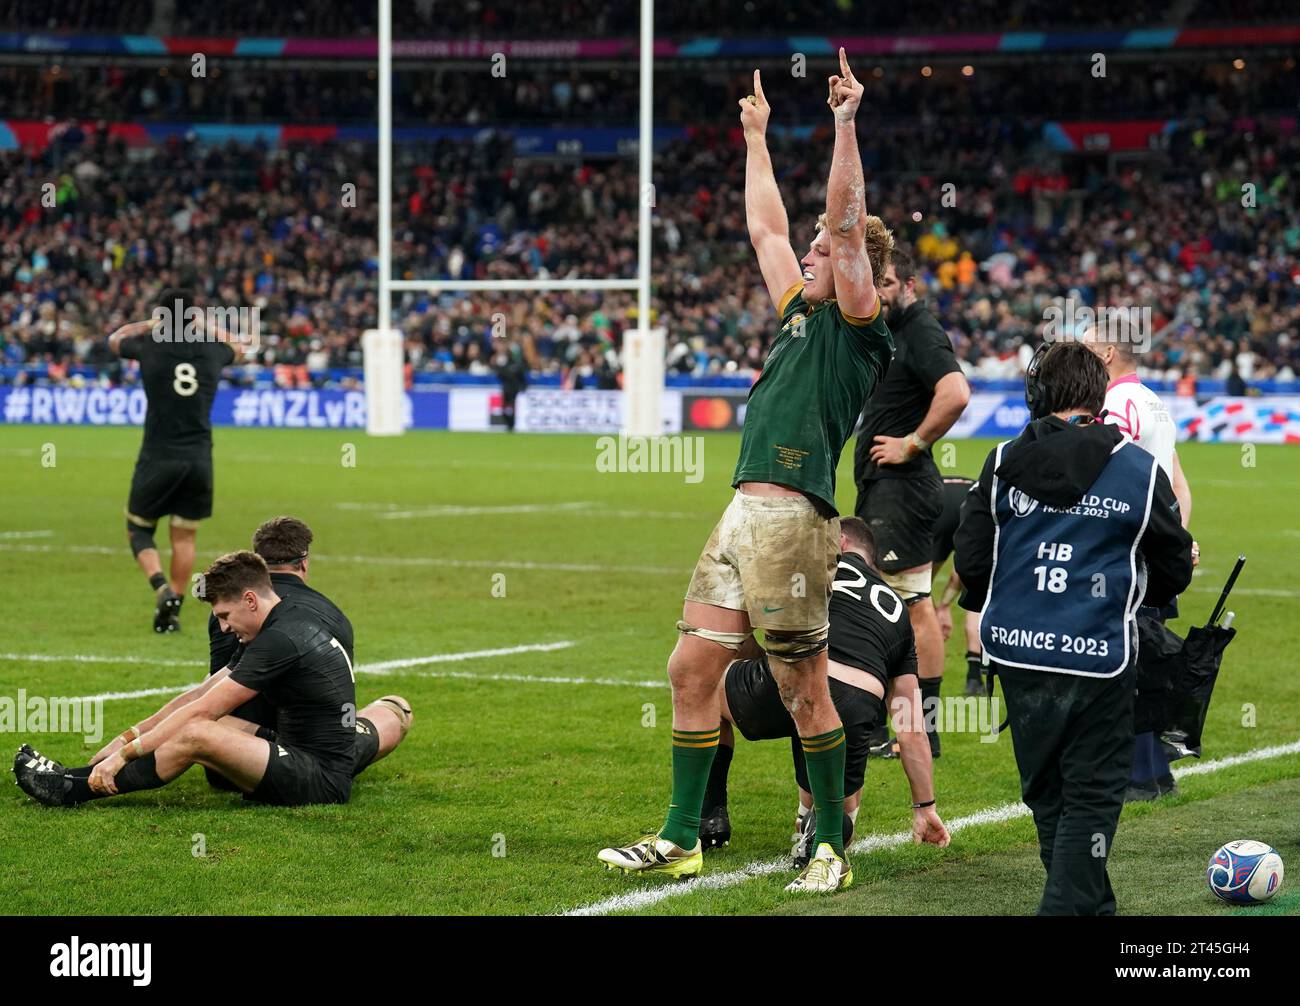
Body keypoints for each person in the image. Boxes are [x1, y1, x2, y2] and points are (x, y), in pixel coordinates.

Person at [598, 50, 895, 893]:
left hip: (795, 520)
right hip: (739, 515)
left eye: (823, 248)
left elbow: (841, 224)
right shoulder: (800, 309)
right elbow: (767, 227)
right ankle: (681, 836)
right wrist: (755, 138)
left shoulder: (856, 323)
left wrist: (842, 122)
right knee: (691, 670)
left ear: (851, 266)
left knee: (805, 691)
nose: (807, 250)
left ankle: (833, 845)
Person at [954, 343, 1193, 914]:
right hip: (1098, 656)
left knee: (1047, 793)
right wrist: (1142, 594)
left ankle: (1091, 907)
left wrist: (1010, 597)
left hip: (1015, 652)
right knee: (1091, 797)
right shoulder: (1138, 468)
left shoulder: (1001, 459)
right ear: (1097, 398)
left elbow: (971, 563)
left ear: (1038, 395)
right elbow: (1173, 566)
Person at [14, 552, 407, 808]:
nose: (222, 626)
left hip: (317, 777)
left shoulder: (279, 639)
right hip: (312, 747)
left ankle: (73, 788)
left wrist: (124, 756)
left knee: (199, 733)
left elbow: (202, 710)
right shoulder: (281, 622)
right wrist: (127, 736)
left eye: (224, 615)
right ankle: (74, 773)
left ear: (250, 600)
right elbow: (200, 691)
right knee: (397, 708)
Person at [698, 517, 948, 863]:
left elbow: (741, 628)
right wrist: (925, 807)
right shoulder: (898, 610)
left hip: (792, 682)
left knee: (704, 691)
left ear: (840, 541)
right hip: (855, 704)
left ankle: (709, 814)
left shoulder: (809, 570)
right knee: (843, 808)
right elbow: (910, 727)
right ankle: (819, 828)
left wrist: (760, 665)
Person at [853, 245, 970, 758]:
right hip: (886, 489)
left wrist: (913, 443)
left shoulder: (921, 331)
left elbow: (956, 392)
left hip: (903, 489)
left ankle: (919, 727)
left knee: (913, 605)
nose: (877, 293)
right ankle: (909, 726)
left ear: (909, 286)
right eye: (872, 284)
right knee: (899, 602)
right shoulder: (890, 333)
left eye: (886, 284)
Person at [1082, 325, 1199, 801]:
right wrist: (1176, 539)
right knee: (1146, 657)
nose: (1079, 356)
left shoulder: (1117, 405)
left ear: (1108, 353)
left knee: (1121, 659)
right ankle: (1154, 773)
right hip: (1153, 550)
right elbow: (1176, 486)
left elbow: (1107, 473)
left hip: (1126, 552)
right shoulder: (1154, 402)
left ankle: (1134, 775)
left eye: (1086, 348)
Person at [110, 288, 242, 633]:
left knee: (138, 528)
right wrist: (208, 325)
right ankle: (176, 607)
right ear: (193, 316)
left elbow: (114, 340)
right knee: (184, 537)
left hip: (157, 455)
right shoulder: (212, 350)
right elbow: (241, 348)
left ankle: (161, 588)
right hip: (199, 457)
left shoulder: (150, 344)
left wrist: (148, 324)